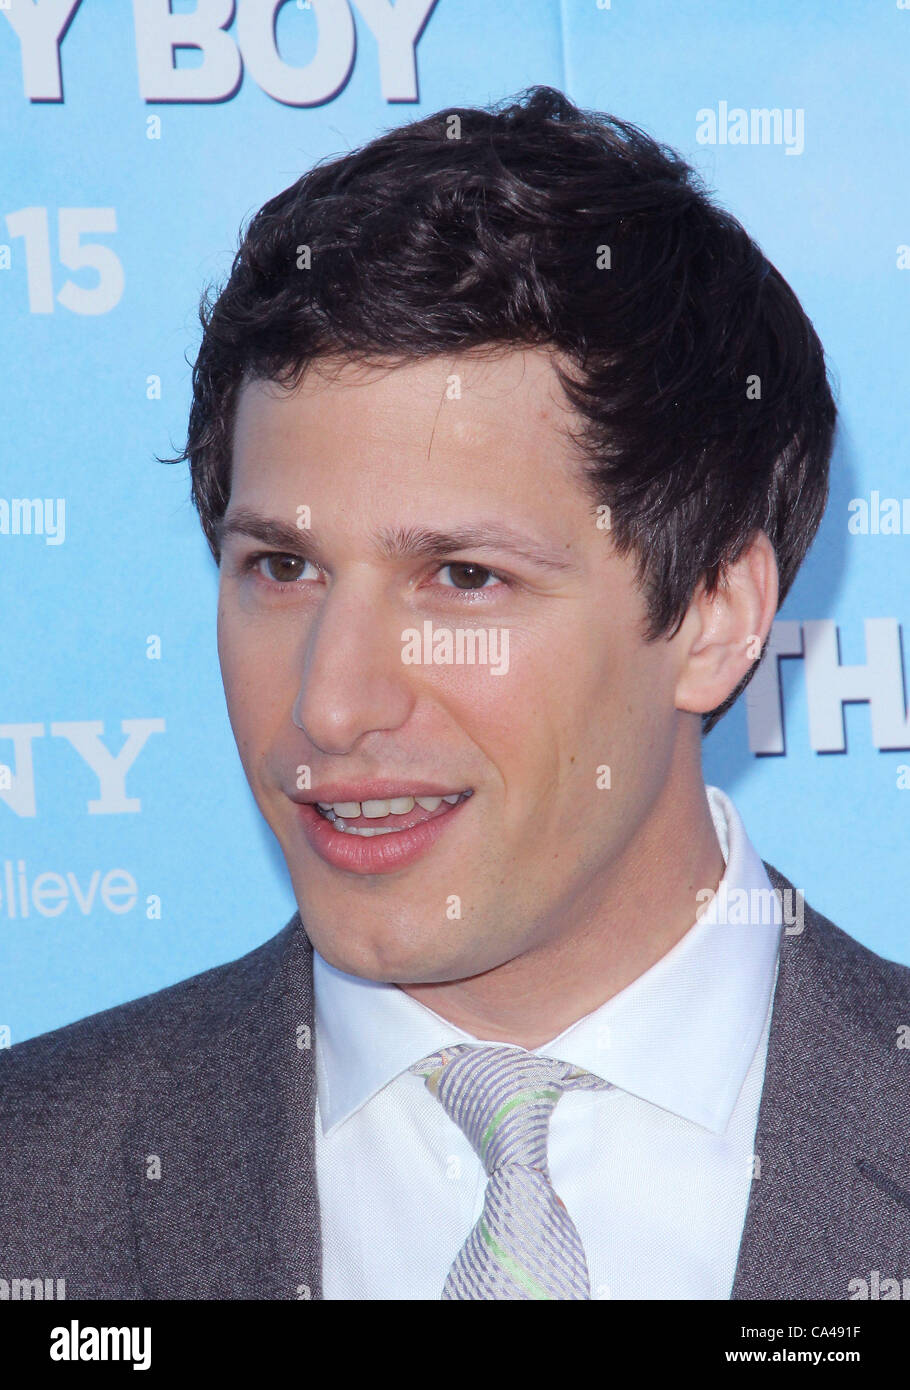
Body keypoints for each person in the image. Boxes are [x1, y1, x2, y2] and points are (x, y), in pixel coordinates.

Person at [3, 86, 908, 1302]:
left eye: (464, 578)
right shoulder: (32, 1184)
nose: (332, 704)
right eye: (282, 567)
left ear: (714, 614)